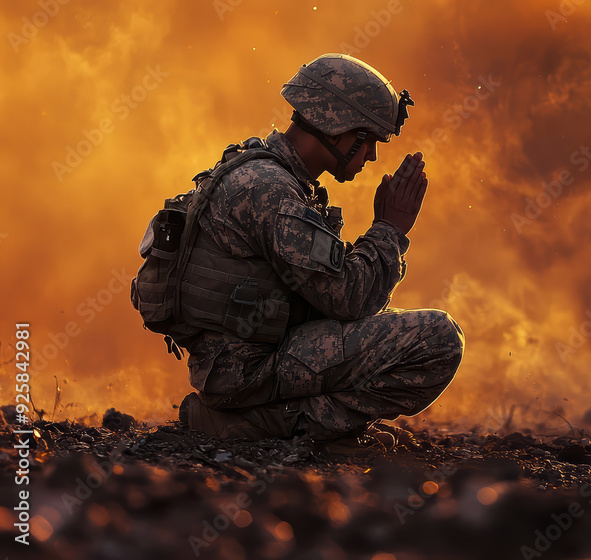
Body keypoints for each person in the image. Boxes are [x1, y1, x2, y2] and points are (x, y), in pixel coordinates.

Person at [167, 53, 464, 455]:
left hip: (239, 360)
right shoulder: (272, 191)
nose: (372, 156)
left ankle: (294, 422)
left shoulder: (266, 175)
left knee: (408, 330)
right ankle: (266, 423)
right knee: (439, 340)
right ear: (337, 128)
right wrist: (390, 229)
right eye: (368, 140)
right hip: (246, 371)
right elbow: (349, 299)